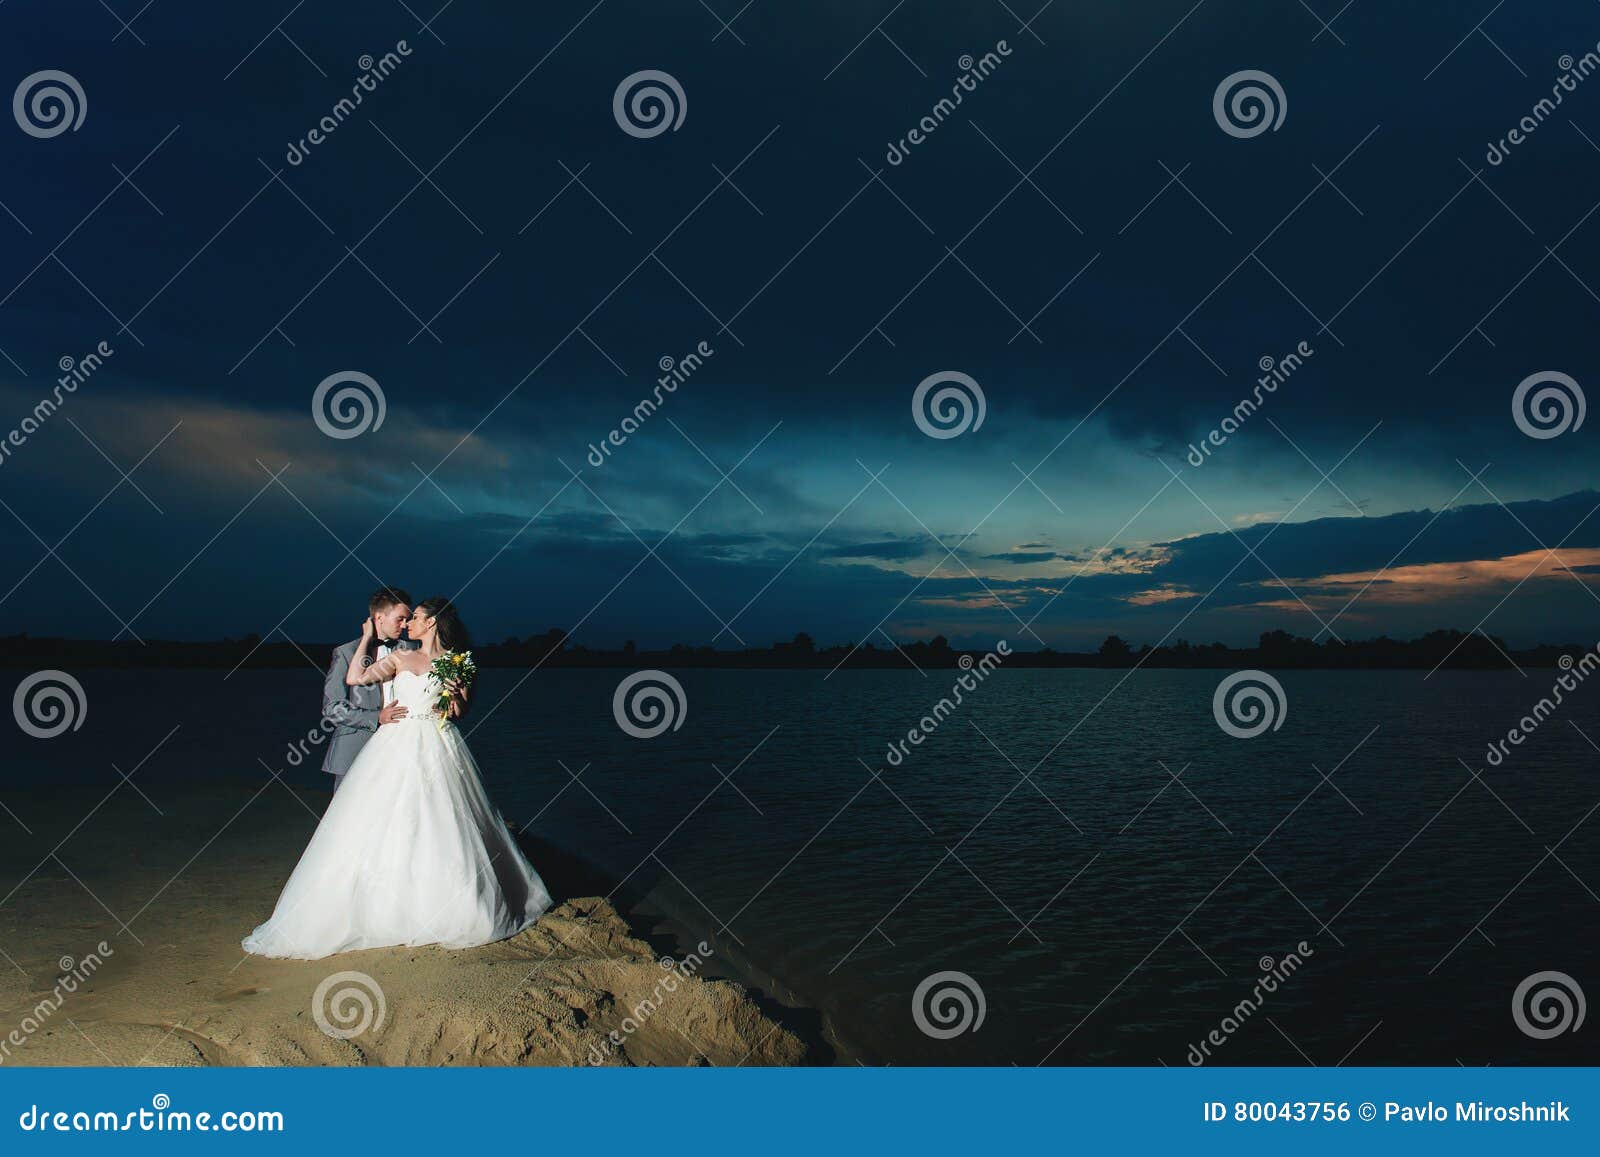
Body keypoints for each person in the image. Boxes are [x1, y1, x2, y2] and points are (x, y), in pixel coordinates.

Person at [243, 597, 551, 959]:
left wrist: (453, 701)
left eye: (415, 618)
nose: (408, 625)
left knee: (443, 821)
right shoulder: (400, 658)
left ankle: (448, 903)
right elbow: (355, 678)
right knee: (386, 818)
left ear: (432, 623)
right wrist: (365, 638)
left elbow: (459, 710)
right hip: (396, 742)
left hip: (439, 743)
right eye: (406, 619)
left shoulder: (457, 662)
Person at [321, 586, 412, 793]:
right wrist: (376, 717)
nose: (405, 625)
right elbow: (332, 707)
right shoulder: (346, 653)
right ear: (379, 618)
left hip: (401, 746)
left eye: (407, 619)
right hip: (354, 748)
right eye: (400, 619)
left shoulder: (411, 651)